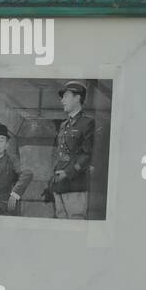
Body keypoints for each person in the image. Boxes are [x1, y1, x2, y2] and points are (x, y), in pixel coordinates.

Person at [49, 80, 94, 218]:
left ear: (77, 98)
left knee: (76, 222)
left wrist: (67, 173)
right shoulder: (63, 125)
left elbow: (88, 155)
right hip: (59, 185)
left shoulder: (88, 123)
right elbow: (59, 154)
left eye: (66, 96)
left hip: (75, 185)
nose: (62, 101)